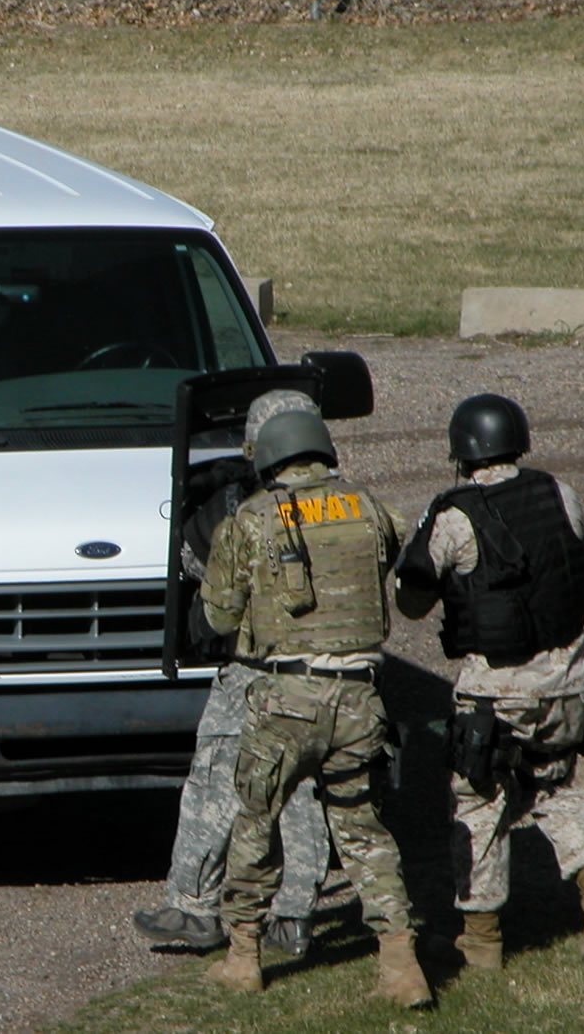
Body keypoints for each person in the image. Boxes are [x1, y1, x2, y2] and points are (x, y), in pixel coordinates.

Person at [200, 410, 432, 1008]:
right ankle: (401, 965)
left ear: (269, 457)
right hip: (360, 698)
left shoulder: (250, 519)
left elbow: (220, 618)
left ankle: (243, 955)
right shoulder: (368, 506)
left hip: (286, 700)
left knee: (256, 821)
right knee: (362, 829)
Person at [394, 393, 584, 969]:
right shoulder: (559, 493)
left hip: (498, 691)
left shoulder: (454, 515)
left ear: (462, 452)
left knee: (479, 804)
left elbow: (411, 600)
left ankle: (481, 940)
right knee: (556, 787)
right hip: (571, 679)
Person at [133, 390, 332, 956]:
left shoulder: (242, 510)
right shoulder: (350, 505)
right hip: (330, 675)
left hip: (256, 668)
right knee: (303, 789)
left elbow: (201, 576)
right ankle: (293, 919)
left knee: (215, 777)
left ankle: (194, 908)